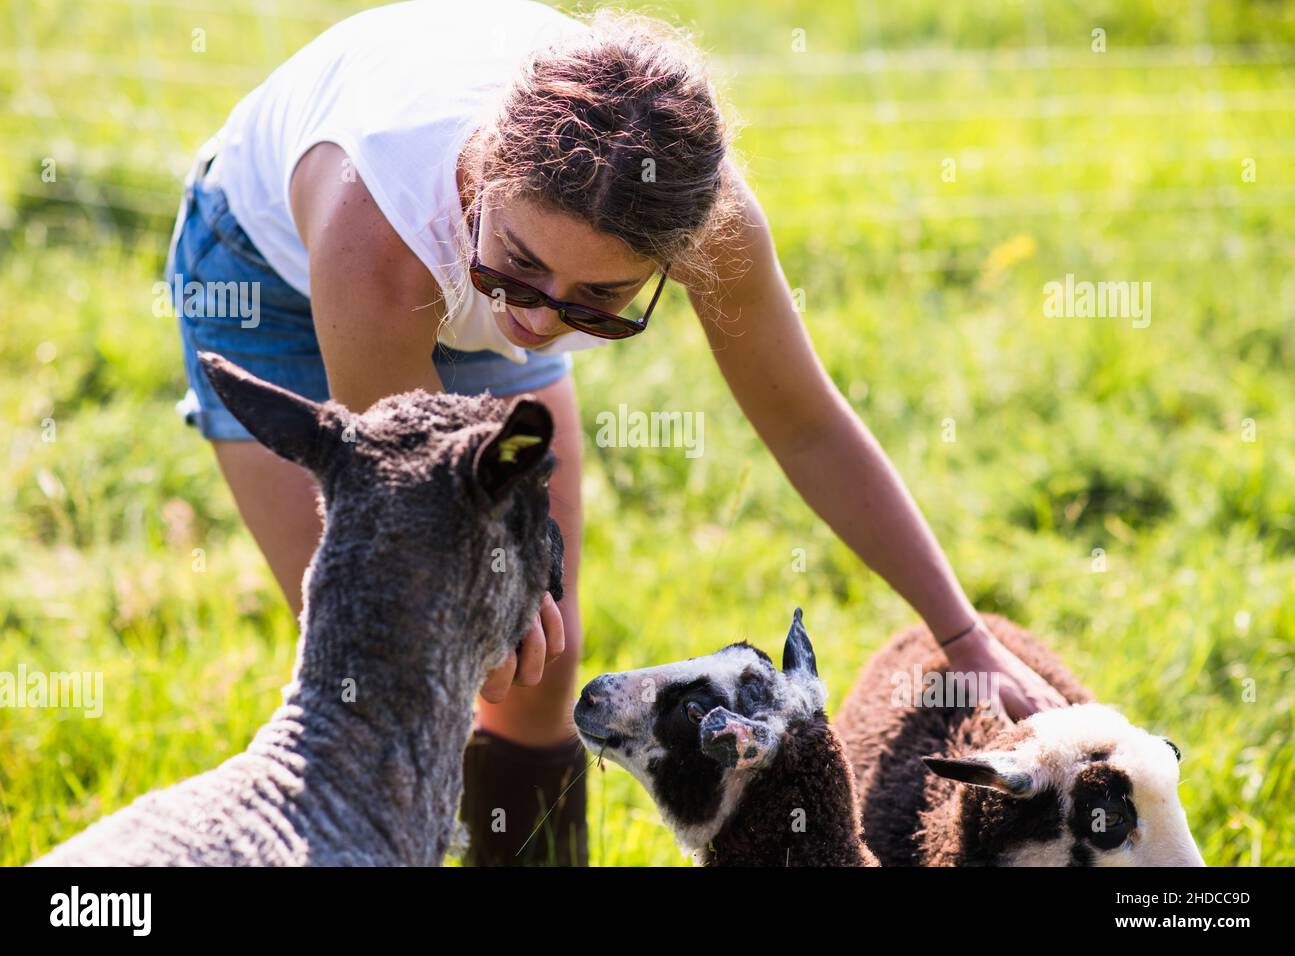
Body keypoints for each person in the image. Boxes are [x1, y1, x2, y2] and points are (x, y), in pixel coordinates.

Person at [167, 0, 1067, 866]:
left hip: (461, 266)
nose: (539, 326)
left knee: (541, 673)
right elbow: (421, 516)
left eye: (602, 300)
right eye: (527, 268)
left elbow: (808, 426)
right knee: (403, 677)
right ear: (485, 179)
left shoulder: (683, 218)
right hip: (268, 283)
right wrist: (478, 609)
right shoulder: (382, 238)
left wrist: (963, 638)